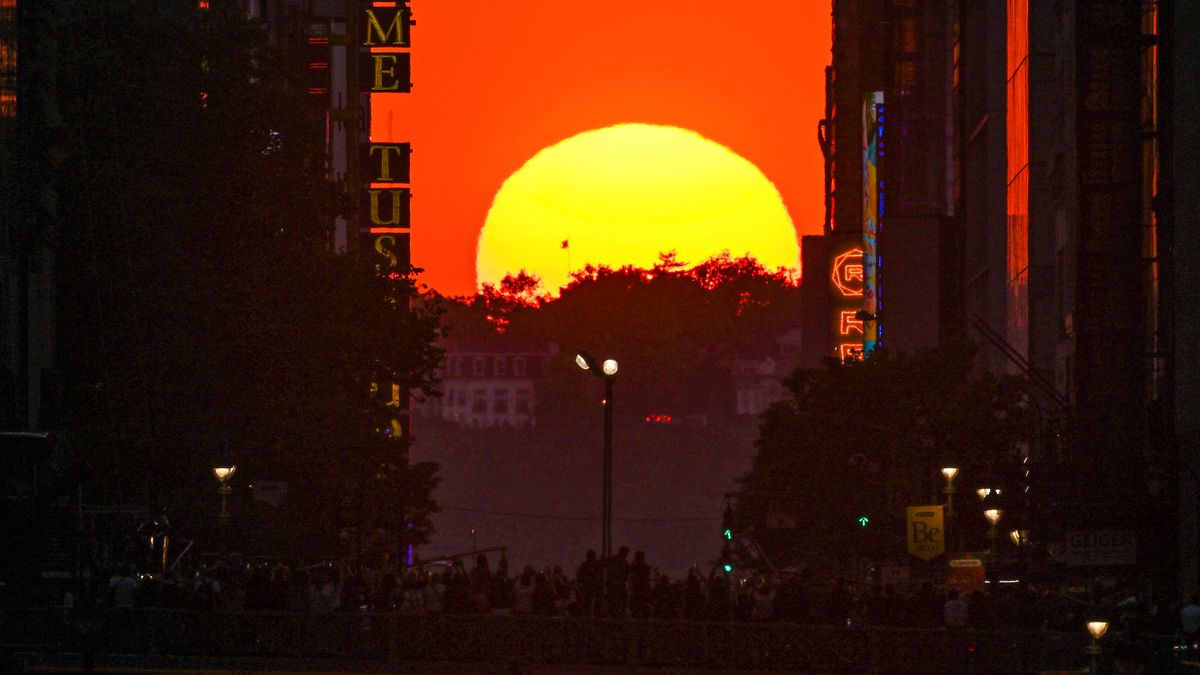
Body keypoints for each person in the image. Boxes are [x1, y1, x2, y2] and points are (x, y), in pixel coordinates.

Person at [628, 551, 652, 619]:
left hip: (639, 590)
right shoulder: (645, 566)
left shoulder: (635, 566)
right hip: (640, 590)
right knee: (640, 608)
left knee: (638, 608)